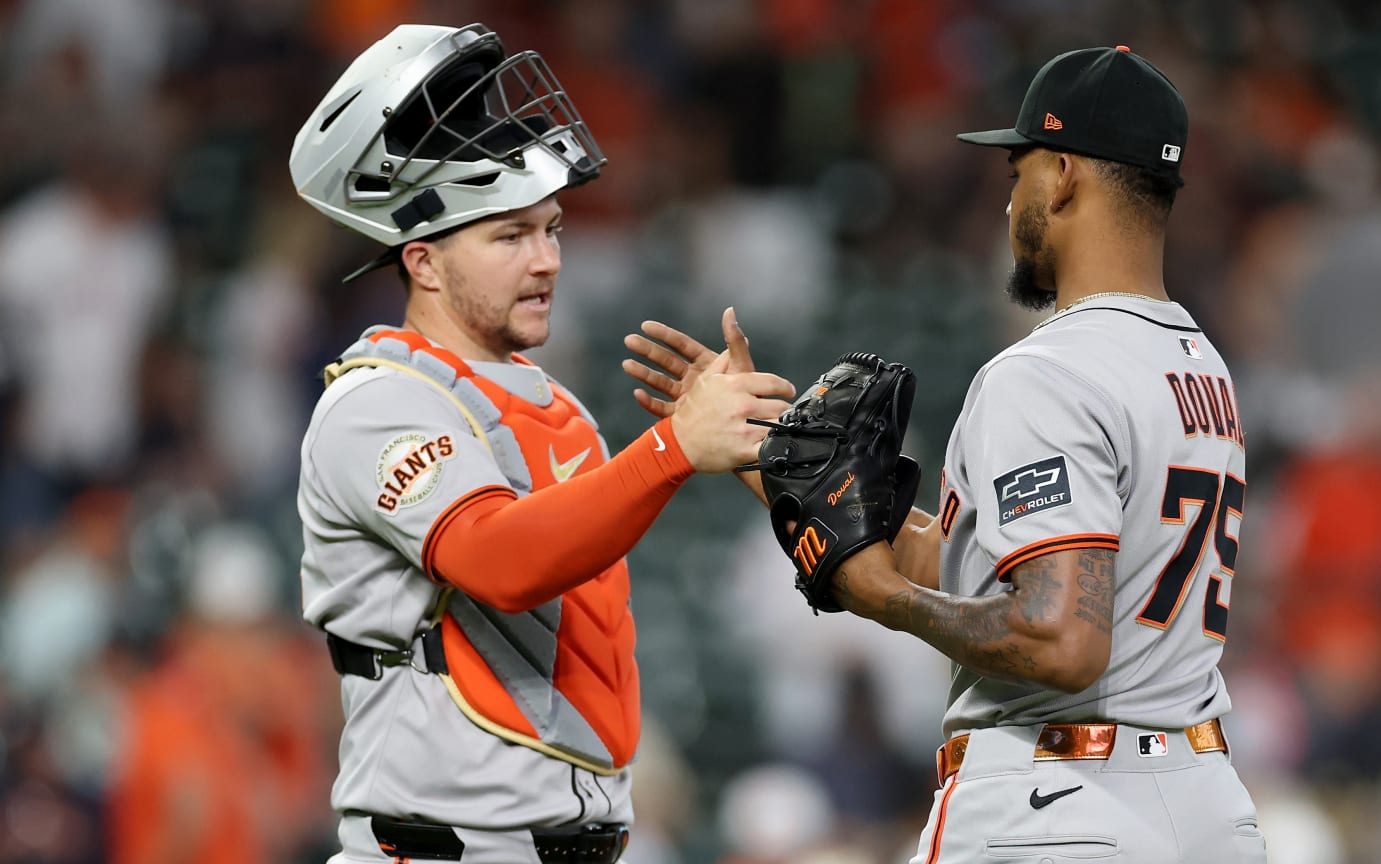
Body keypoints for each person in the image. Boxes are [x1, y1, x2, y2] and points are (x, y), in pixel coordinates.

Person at [624, 46, 1267, 862]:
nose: (1009, 206)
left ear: (1064, 173)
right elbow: (997, 571)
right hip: (1205, 805)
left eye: (1017, 175)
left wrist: (879, 595)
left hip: (1058, 806)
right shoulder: (1200, 364)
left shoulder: (1048, 369)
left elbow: (1059, 640)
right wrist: (776, 455)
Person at [288, 23, 794, 864]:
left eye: (552, 227)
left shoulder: (553, 404)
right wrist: (672, 449)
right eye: (509, 235)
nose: (548, 259)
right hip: (441, 850)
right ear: (423, 262)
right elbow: (500, 561)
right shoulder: (376, 402)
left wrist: (762, 458)